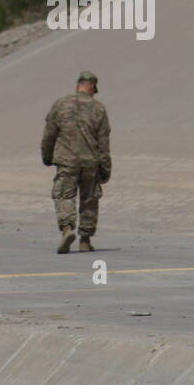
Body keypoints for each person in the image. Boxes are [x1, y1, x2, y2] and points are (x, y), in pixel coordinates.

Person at [41, 71, 111, 253]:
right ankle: (85, 240)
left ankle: (66, 229)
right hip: (90, 162)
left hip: (66, 160)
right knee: (89, 199)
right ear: (91, 86)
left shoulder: (61, 104)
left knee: (64, 195)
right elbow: (103, 142)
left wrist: (47, 157)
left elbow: (49, 135)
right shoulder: (99, 109)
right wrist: (106, 168)